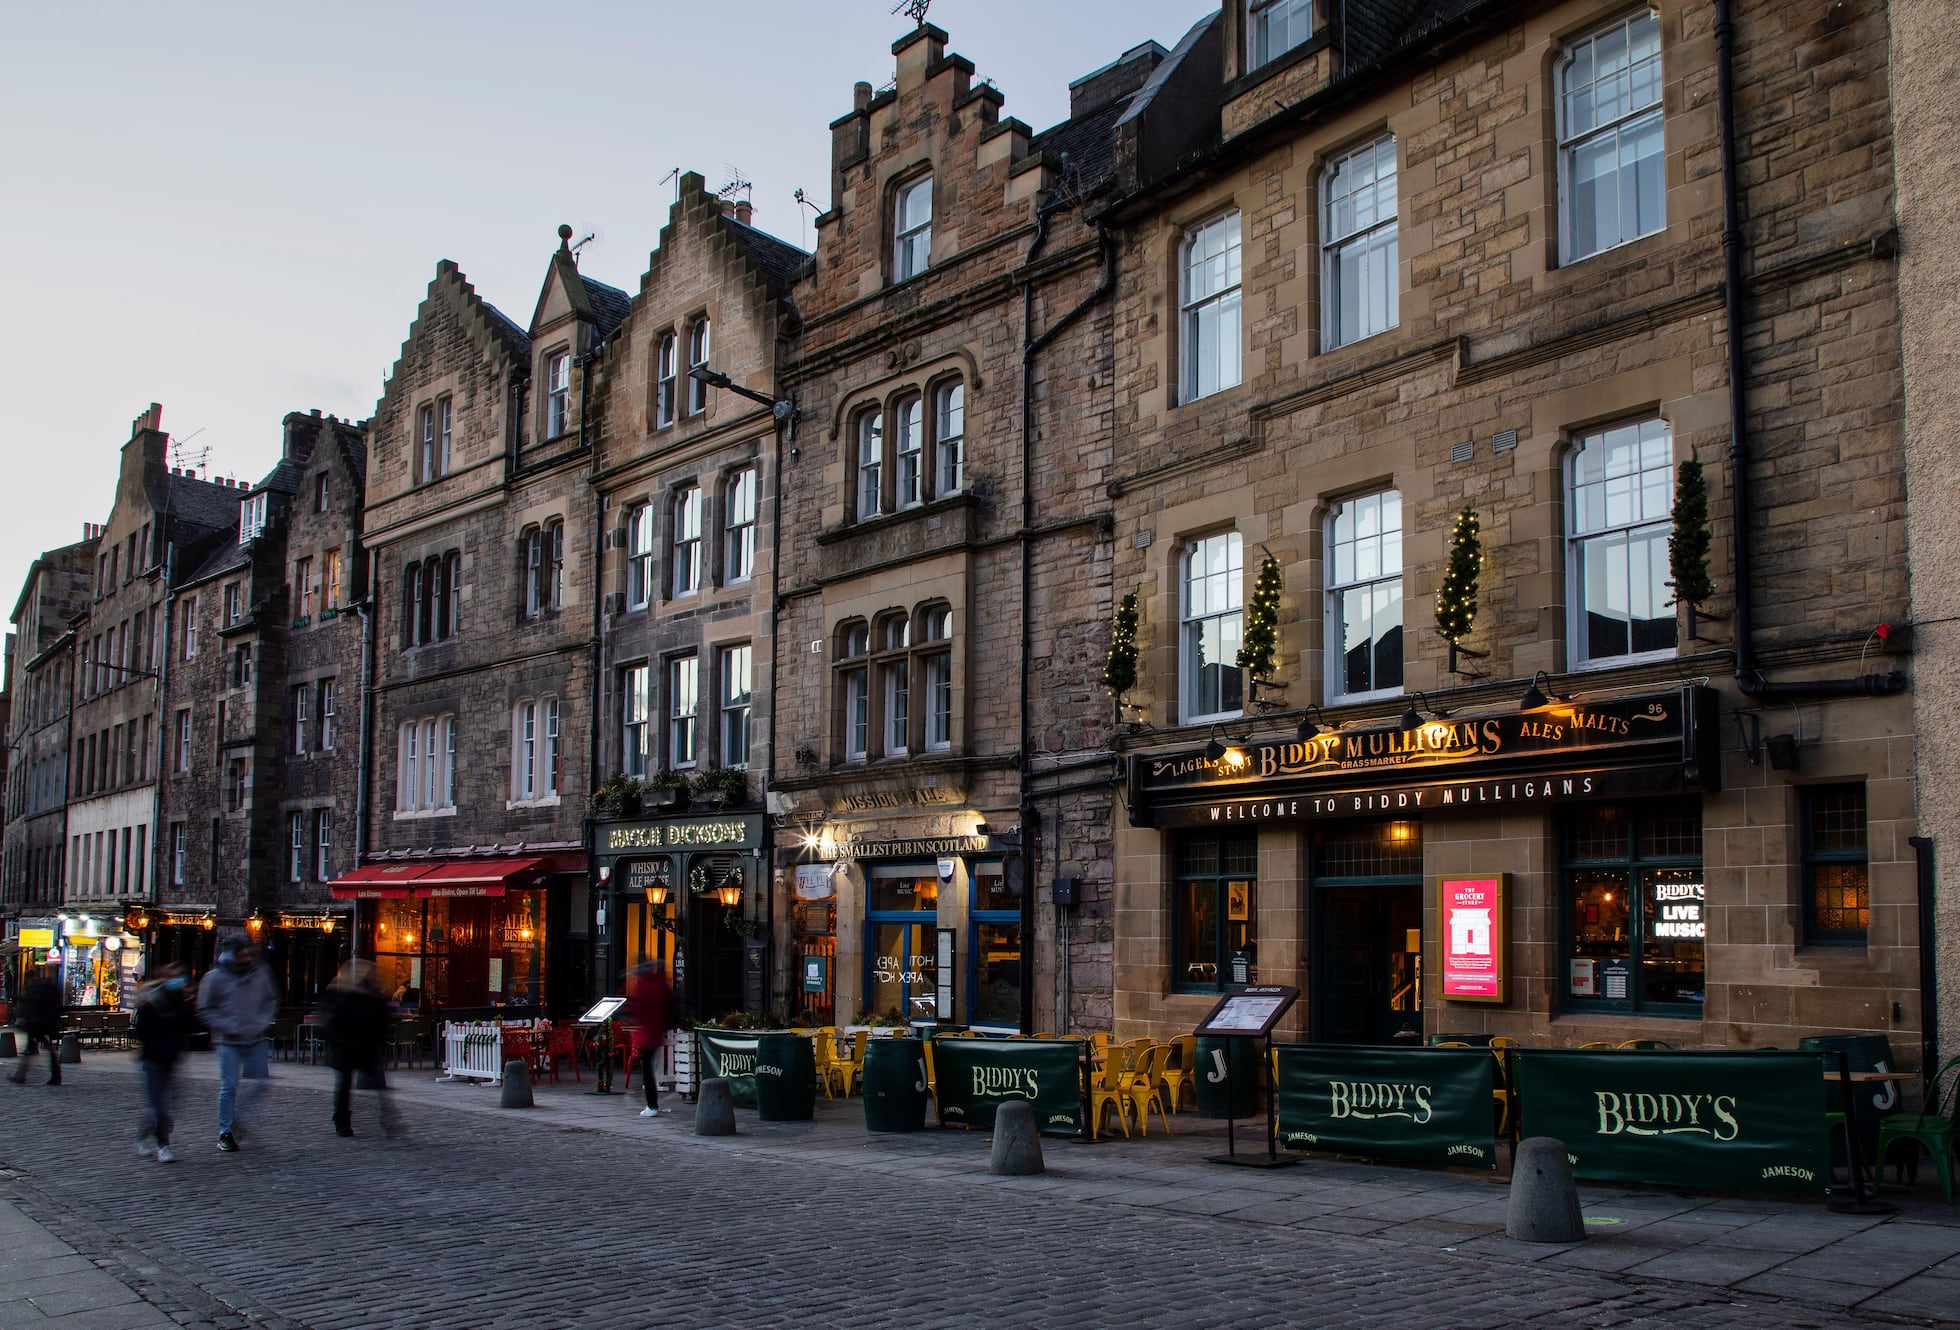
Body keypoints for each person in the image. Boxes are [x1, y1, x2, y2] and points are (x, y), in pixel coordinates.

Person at [195, 936, 277, 1152]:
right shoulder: (214, 978)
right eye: (241, 953)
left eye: (248, 952)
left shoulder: (259, 974)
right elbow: (204, 1008)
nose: (246, 957)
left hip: (254, 1037)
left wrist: (261, 1021)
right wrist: (226, 1024)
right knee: (229, 1085)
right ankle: (225, 1131)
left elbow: (270, 1000)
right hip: (228, 1040)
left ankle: (235, 1114)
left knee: (261, 1082)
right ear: (231, 954)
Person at [319, 959, 399, 1138]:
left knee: (377, 1085)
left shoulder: (374, 995)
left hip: (366, 1047)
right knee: (345, 1086)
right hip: (347, 1047)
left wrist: (379, 1041)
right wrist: (338, 1041)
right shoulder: (343, 994)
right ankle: (342, 1122)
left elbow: (382, 1020)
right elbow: (331, 1020)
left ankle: (388, 1119)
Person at [132, 964, 193, 1162]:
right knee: (159, 1105)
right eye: (173, 976)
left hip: (171, 1059)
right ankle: (163, 1145)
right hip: (153, 1058)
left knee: (161, 1104)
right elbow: (141, 1030)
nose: (178, 980)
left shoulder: (181, 1002)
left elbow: (186, 1027)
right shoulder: (151, 1001)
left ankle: (142, 1135)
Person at [624, 960, 673, 1118]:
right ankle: (652, 1103)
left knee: (647, 1070)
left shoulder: (643, 984)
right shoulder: (662, 983)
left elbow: (639, 1010)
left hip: (647, 1032)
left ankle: (651, 1105)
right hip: (658, 1030)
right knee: (652, 1067)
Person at [7, 971, 62, 1087]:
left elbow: (32, 1004)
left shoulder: (34, 987)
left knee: (30, 1049)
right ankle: (56, 1075)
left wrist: (23, 1015)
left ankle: (21, 1075)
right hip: (46, 1022)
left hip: (36, 1023)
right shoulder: (46, 986)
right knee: (46, 1048)